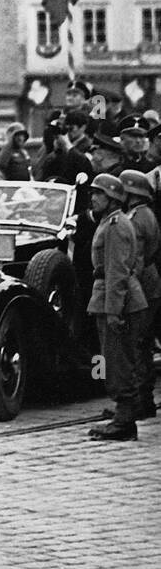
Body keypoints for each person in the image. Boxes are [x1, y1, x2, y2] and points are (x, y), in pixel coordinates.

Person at [86, 173, 147, 443]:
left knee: (118, 361)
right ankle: (123, 414)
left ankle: (124, 421)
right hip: (114, 298)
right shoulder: (110, 222)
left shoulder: (115, 225)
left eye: (98, 194)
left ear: (112, 198)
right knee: (113, 359)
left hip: (120, 301)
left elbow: (117, 272)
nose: (93, 198)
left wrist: (113, 310)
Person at [120, 169, 160, 420]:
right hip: (151, 283)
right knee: (142, 344)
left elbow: (134, 255)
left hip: (142, 285)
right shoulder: (147, 214)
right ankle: (144, 400)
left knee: (134, 345)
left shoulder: (135, 219)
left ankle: (137, 401)